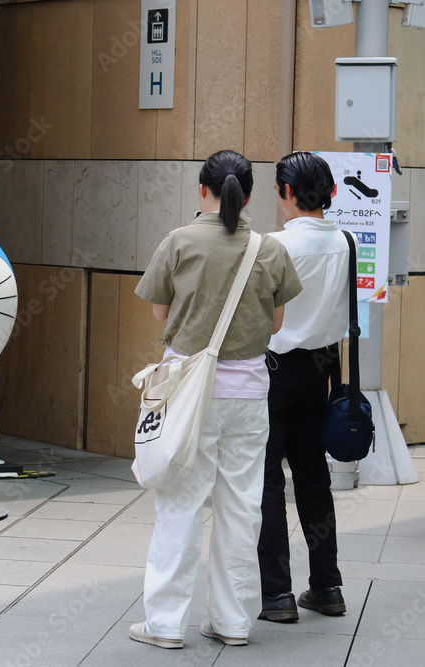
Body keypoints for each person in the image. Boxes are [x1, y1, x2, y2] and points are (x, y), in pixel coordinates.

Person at [129, 150, 303, 649]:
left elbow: (161, 315)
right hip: (248, 393)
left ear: (202, 190)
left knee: (180, 504)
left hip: (188, 393)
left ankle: (164, 624)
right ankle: (231, 621)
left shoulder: (180, 241)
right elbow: (276, 325)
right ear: (248, 195)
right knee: (242, 508)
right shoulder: (270, 250)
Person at [257, 152, 349, 622]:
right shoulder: (346, 241)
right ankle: (327, 586)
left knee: (269, 482)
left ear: (286, 193)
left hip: (273, 371)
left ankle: (277, 596)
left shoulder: (272, 245)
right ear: (330, 193)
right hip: (321, 372)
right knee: (314, 478)